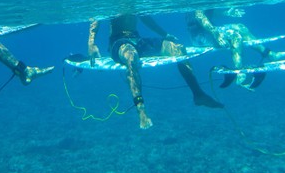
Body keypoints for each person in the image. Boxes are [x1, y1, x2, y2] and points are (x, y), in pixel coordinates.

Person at [85, 14, 222, 129]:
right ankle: (141, 110)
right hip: (118, 42)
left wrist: (165, 34)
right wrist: (91, 44)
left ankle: (198, 95)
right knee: (131, 57)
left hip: (137, 39)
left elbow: (144, 17)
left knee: (178, 49)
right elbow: (96, 16)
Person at [186, 9, 285, 90]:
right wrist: (216, 34)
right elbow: (199, 16)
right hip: (199, 37)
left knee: (241, 27)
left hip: (206, 31)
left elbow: (207, 12)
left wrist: (227, 13)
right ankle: (239, 71)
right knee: (235, 36)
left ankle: (269, 54)